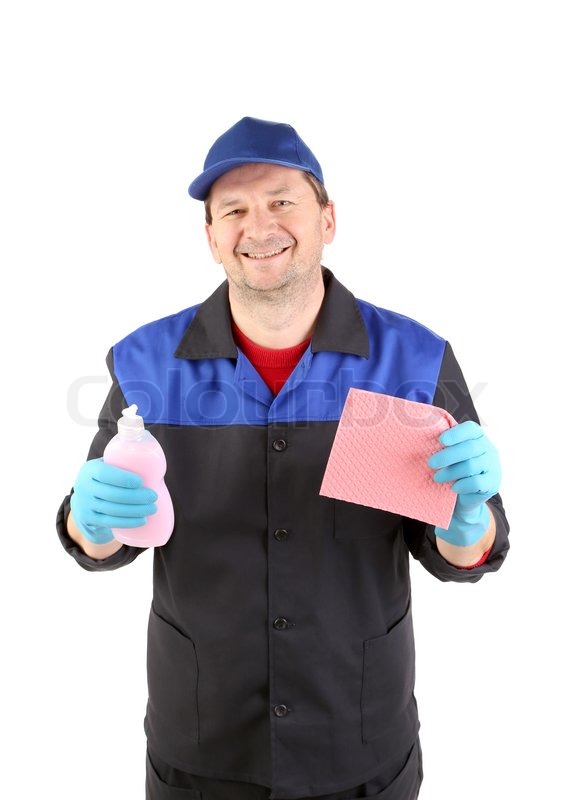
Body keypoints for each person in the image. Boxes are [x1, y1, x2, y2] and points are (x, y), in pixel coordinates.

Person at [57, 116, 510, 800]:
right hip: (201, 743)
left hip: (358, 741)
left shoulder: (413, 360)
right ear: (211, 238)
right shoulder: (145, 361)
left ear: (328, 219)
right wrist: (86, 522)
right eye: (233, 210)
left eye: (281, 202)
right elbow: (106, 541)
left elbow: (459, 551)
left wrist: (465, 518)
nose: (258, 225)